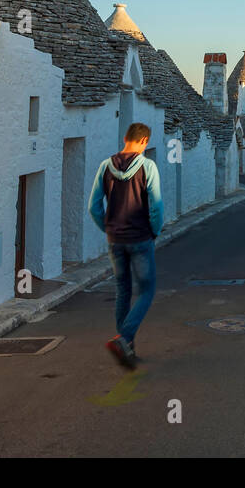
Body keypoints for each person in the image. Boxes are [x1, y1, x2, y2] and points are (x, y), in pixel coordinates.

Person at [88, 122, 163, 368]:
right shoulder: (148, 167)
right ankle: (125, 337)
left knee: (123, 290)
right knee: (147, 289)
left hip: (115, 240)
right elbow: (156, 205)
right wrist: (155, 230)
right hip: (140, 237)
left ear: (125, 138)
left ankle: (126, 348)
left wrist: (107, 228)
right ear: (144, 141)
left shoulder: (105, 166)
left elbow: (94, 206)